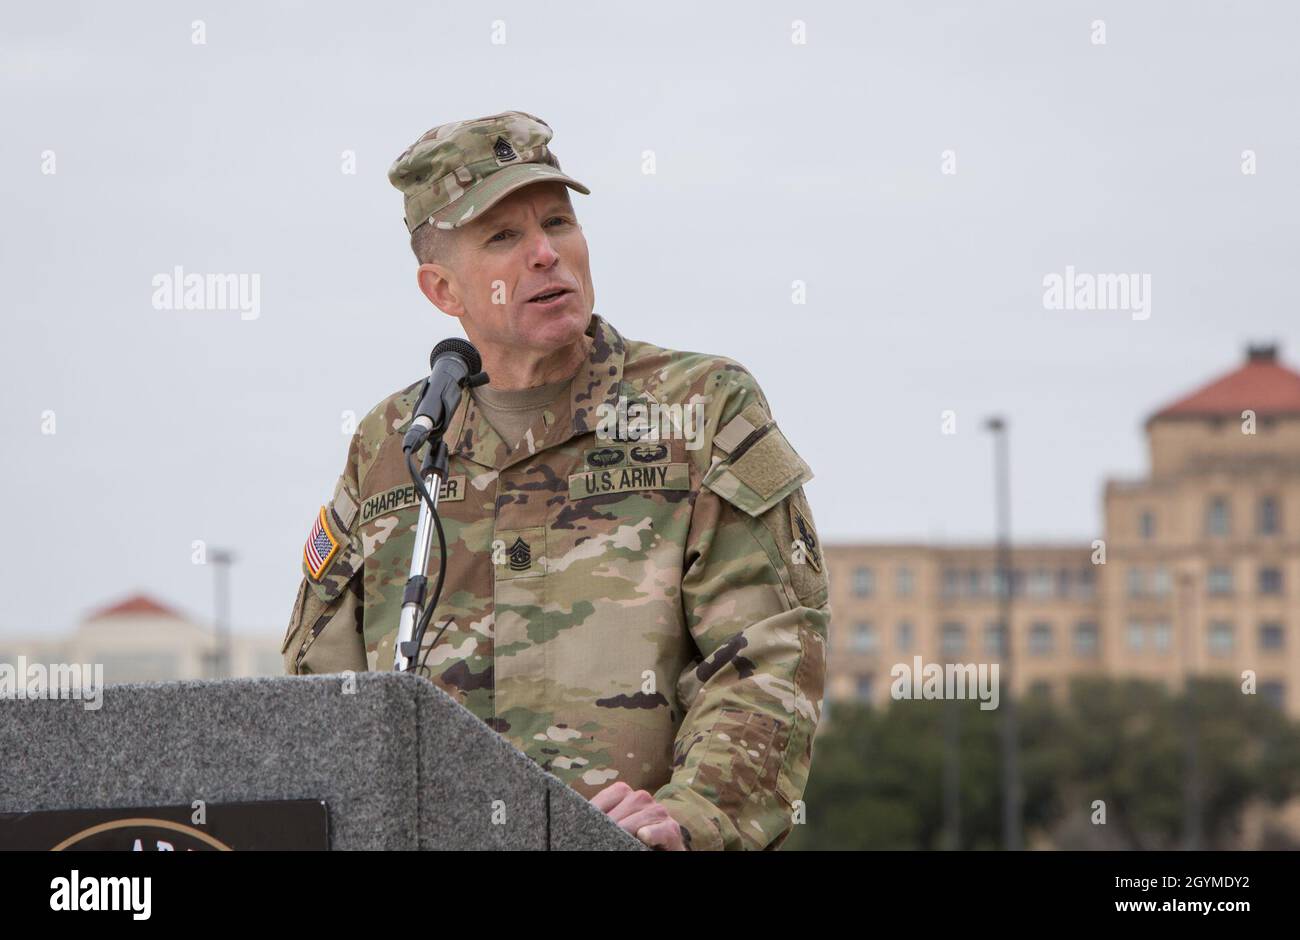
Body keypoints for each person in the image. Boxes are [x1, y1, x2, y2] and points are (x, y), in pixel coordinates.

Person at [282, 111, 829, 850]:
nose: (546, 254)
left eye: (558, 222)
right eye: (503, 237)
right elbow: (323, 690)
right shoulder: (396, 445)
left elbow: (770, 654)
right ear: (442, 289)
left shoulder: (698, 410)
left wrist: (692, 818)